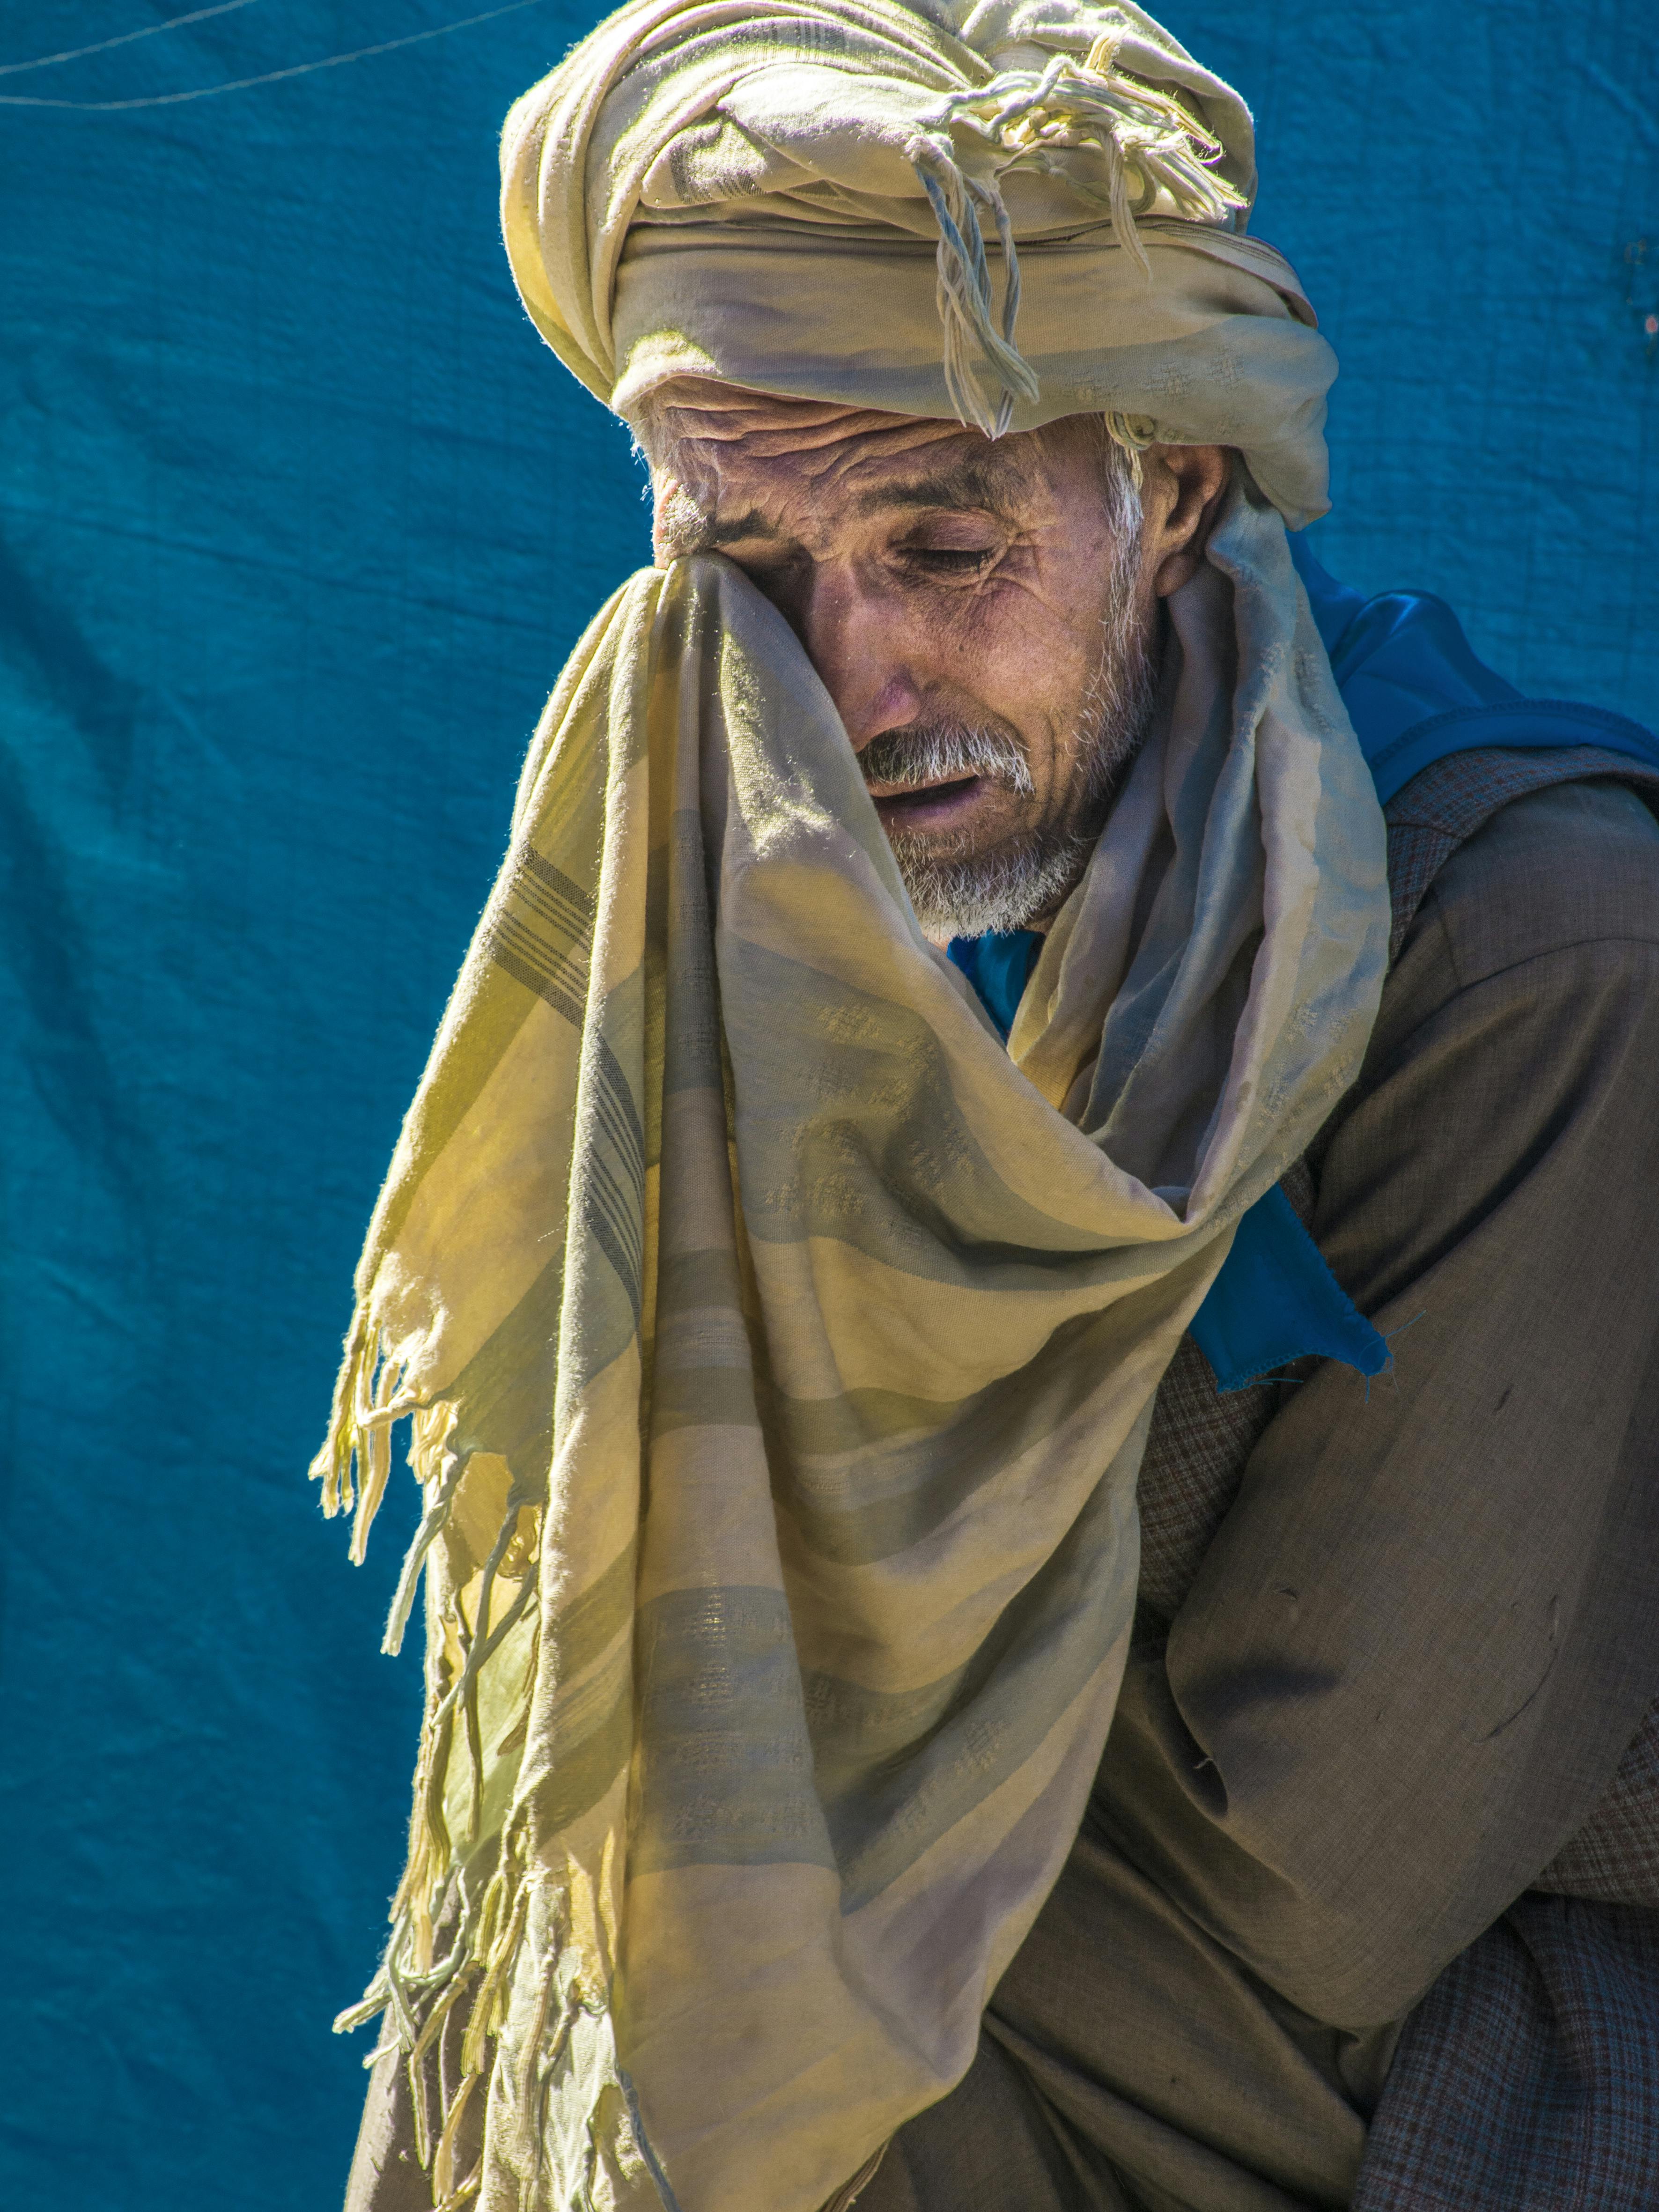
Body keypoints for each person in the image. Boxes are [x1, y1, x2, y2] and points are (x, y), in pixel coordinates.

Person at [319, 3, 1659, 2207]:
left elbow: (1317, 1876)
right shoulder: (789, 893)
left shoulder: (1539, 953)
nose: (850, 687)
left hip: (1396, 2068)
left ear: (1172, 496)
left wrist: (779, 1685)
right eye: (747, 565)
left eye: (944, 552)